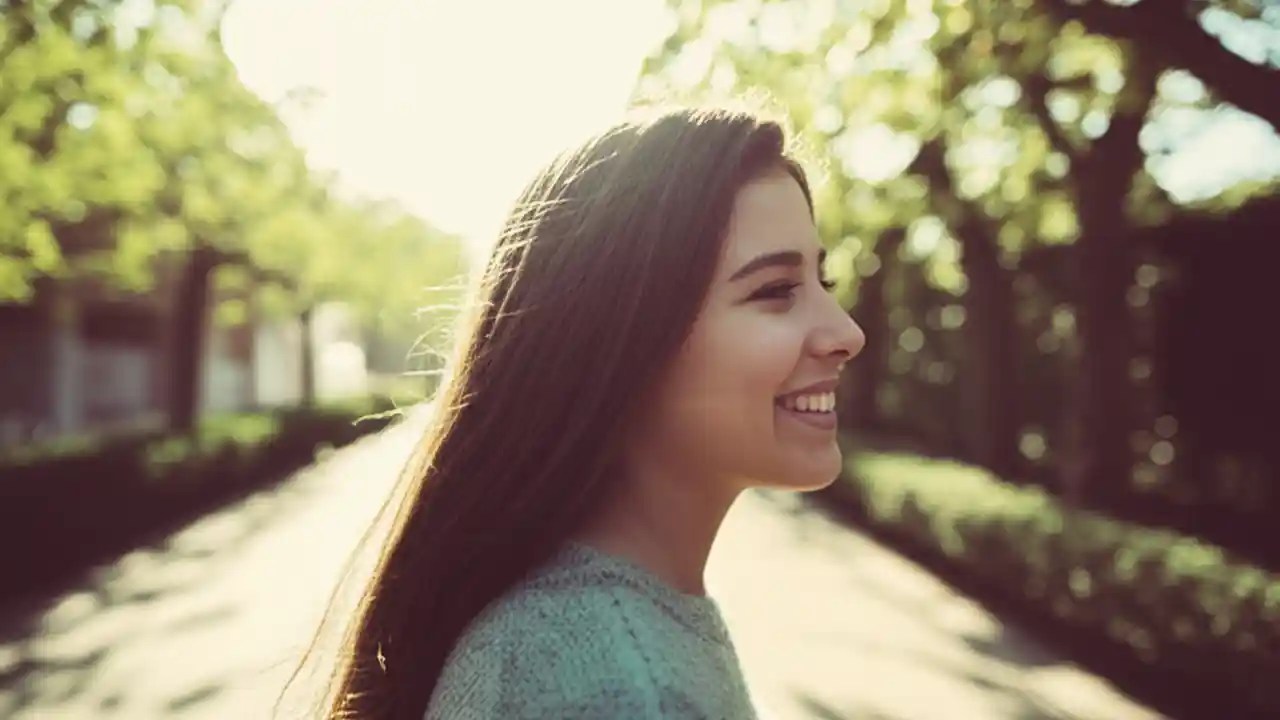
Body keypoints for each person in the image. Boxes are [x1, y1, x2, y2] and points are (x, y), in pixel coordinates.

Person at [297, 104, 865, 719]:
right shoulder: (618, 688)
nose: (846, 333)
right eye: (776, 291)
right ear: (622, 341)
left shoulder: (579, 626)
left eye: (821, 283)